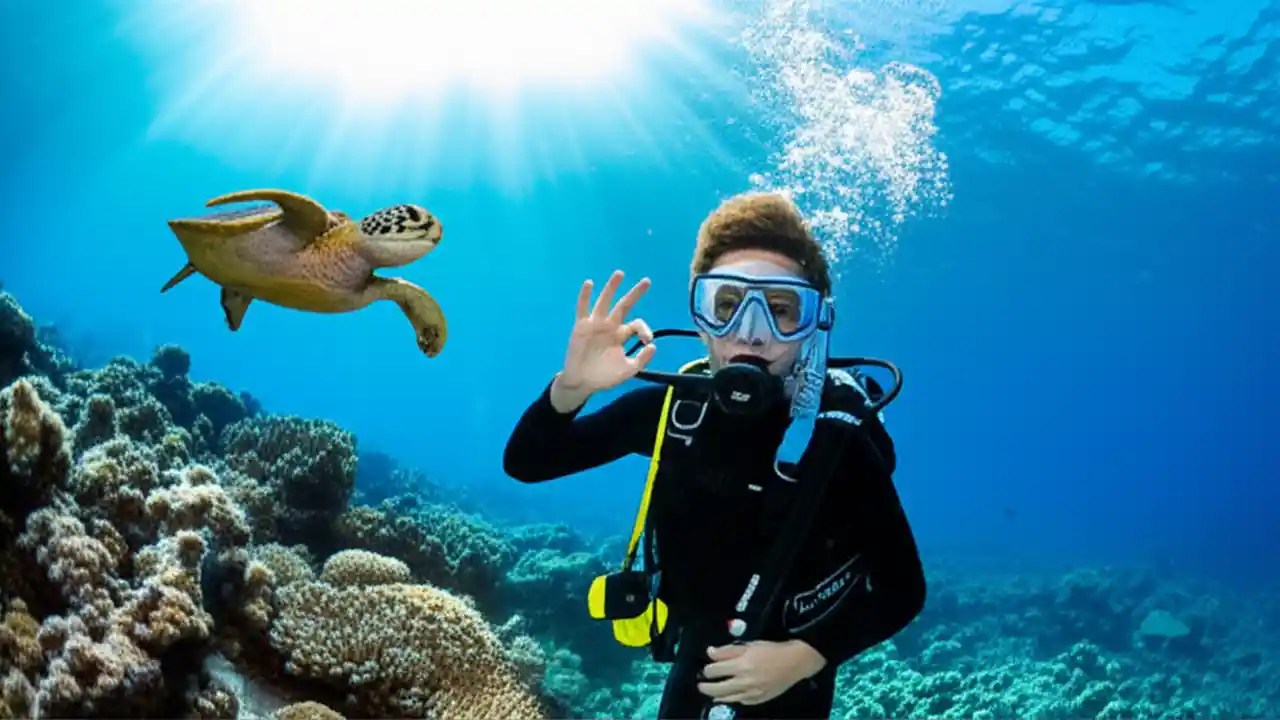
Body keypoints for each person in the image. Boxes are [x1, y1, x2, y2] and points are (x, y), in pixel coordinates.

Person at [503, 191, 926, 719]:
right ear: (701, 318)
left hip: (789, 679)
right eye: (726, 306)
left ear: (813, 325)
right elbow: (528, 462)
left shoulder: (836, 442)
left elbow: (903, 588)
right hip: (695, 655)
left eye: (780, 310)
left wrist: (805, 657)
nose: (750, 332)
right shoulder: (674, 413)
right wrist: (570, 389)